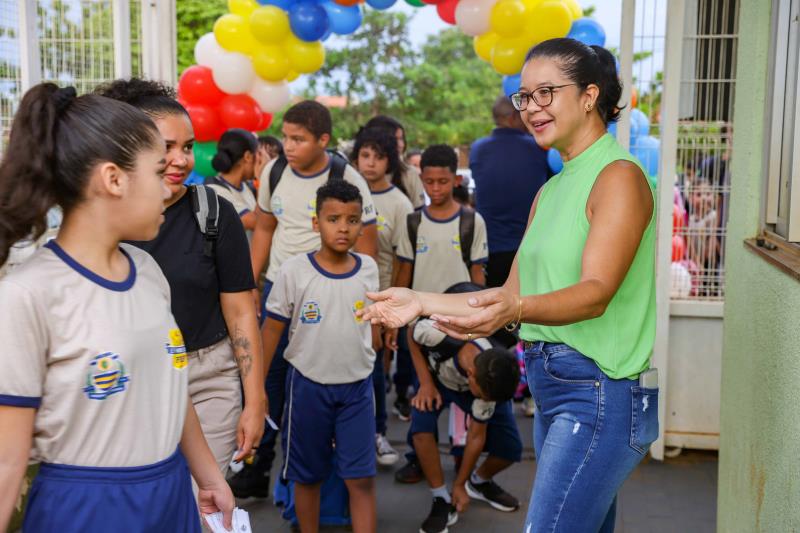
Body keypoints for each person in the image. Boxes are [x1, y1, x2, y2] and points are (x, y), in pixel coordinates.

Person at [359, 38, 660, 533]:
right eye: (525, 97)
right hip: (555, 387)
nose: (532, 108)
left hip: (601, 392)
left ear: (589, 95)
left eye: (546, 93)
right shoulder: (552, 188)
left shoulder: (618, 177)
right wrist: (418, 301)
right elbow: (505, 293)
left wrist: (514, 307)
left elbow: (596, 292)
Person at [0, 83, 234, 531]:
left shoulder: (147, 271)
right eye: (158, 171)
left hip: (171, 496)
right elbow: (7, 462)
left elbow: (170, 386)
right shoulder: (27, 294)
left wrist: (207, 475)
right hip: (88, 509)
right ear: (113, 178)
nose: (169, 190)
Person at [97, 79, 265, 480]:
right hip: (130, 381)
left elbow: (241, 310)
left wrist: (254, 398)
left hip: (208, 379)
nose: (180, 159)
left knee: (203, 504)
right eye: (166, 146)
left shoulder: (214, 214)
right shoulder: (103, 221)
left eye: (187, 147)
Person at [236, 100, 377, 499]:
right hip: (279, 291)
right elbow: (263, 230)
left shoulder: (345, 175)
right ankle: (258, 469)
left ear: (323, 141)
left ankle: (316, 483)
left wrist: (366, 308)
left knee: (326, 383)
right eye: (285, 138)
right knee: (270, 384)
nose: (289, 146)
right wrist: (249, 284)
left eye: (298, 139)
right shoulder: (274, 171)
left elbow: (366, 241)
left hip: (333, 295)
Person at [263, 181, 380, 533]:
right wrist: (255, 386)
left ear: (362, 224)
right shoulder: (294, 271)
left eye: (352, 219)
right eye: (333, 219)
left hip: (358, 389)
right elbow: (270, 331)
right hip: (308, 388)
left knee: (360, 479)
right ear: (316, 223)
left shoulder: (369, 269)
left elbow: (373, 328)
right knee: (307, 476)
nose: (343, 227)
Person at [407, 284, 522, 533]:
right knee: (421, 428)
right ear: (471, 375)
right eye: (483, 396)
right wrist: (425, 383)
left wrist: (460, 484)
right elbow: (411, 334)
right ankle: (440, 498)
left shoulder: (491, 380)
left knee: (511, 449)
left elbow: (475, 437)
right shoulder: (438, 334)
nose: (485, 401)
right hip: (436, 378)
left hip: (478, 385)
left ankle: (477, 482)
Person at [351, 126, 415, 466]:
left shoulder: (400, 204)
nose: (370, 163)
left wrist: (392, 307)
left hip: (380, 299)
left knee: (375, 366)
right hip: (345, 296)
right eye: (365, 155)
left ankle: (377, 433)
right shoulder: (347, 193)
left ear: (390, 160)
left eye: (378, 156)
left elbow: (405, 261)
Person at [470, 95, 551, 289]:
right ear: (514, 117)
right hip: (530, 246)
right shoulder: (538, 148)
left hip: (489, 248)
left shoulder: (477, 149)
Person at [395, 144, 488, 293]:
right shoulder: (412, 222)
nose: (436, 188)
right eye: (429, 182)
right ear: (421, 179)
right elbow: (405, 270)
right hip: (421, 311)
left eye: (443, 181)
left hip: (459, 310)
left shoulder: (473, 221)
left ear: (456, 180)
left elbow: (477, 272)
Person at [365, 115, 426, 209]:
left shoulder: (410, 174)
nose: (400, 144)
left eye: (401, 139)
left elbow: (419, 213)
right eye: (395, 139)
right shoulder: (358, 175)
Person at [208, 129, 259, 236]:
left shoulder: (246, 186)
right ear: (248, 157)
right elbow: (257, 223)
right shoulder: (215, 191)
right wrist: (264, 176)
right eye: (258, 155)